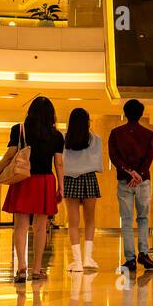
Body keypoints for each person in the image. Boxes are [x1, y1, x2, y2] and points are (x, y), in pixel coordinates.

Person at [0, 95, 64, 283]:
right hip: (45, 181)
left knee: (20, 226)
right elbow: (58, 163)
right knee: (41, 227)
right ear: (52, 115)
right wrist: (61, 187)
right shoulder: (57, 135)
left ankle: (21, 268)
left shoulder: (19, 130)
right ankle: (36, 270)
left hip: (23, 179)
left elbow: (9, 156)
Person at [108, 99, 153, 274]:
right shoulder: (148, 134)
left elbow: (113, 157)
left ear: (125, 113)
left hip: (124, 180)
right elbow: (149, 157)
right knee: (143, 218)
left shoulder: (115, 133)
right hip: (143, 181)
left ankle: (130, 259)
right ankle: (143, 253)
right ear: (141, 114)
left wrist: (129, 172)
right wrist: (139, 174)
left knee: (127, 221)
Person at [62, 108, 103, 273]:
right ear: (87, 121)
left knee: (73, 222)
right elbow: (98, 160)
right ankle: (88, 258)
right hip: (89, 178)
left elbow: (60, 161)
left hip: (70, 179)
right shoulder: (96, 139)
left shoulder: (64, 139)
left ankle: (77, 262)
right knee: (90, 220)